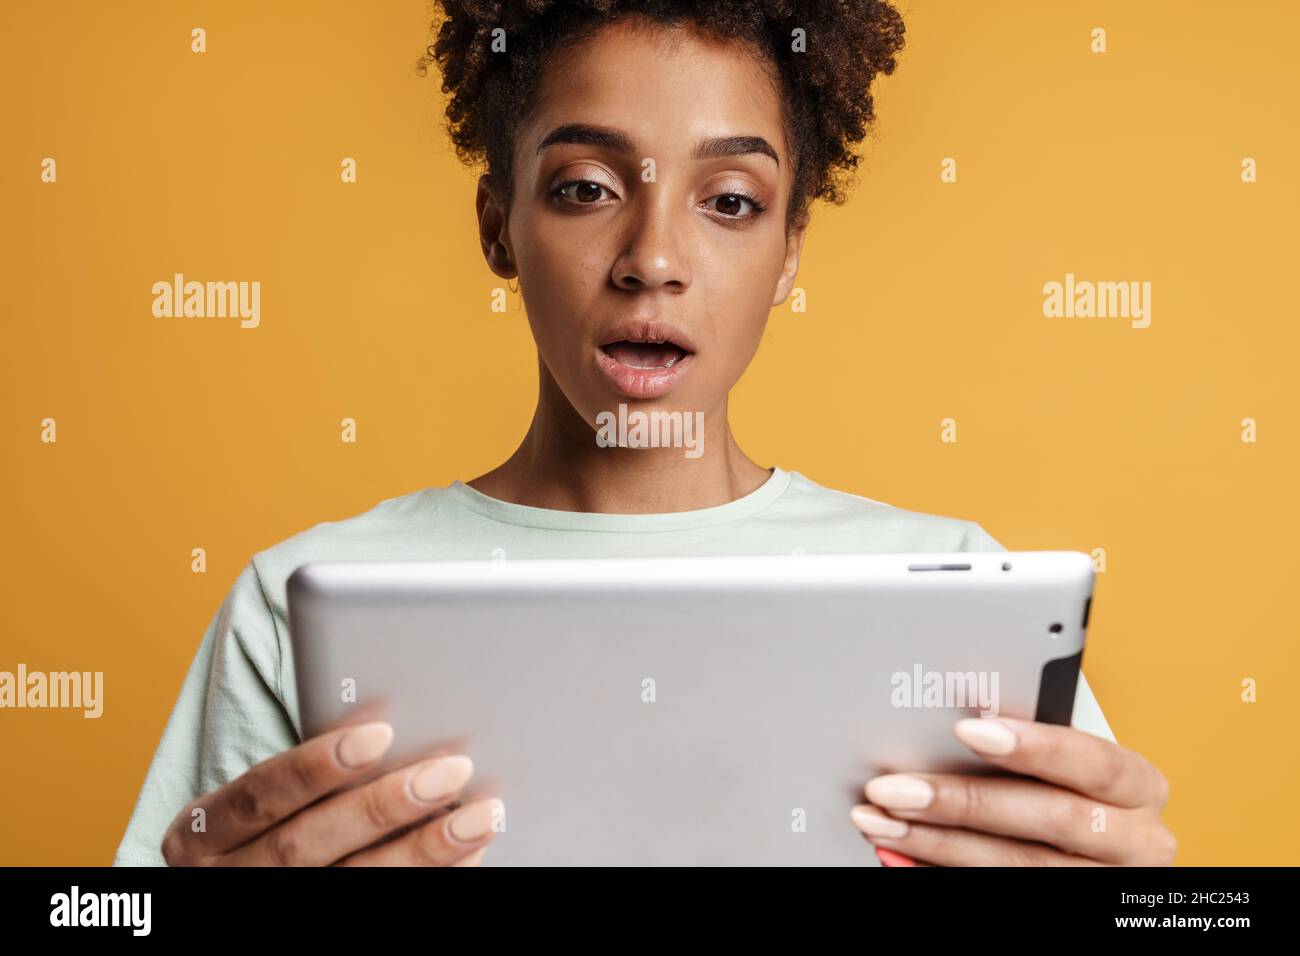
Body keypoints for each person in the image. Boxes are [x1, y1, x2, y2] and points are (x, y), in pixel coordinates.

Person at [113, 0, 1175, 867]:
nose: (652, 256)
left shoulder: (959, 590)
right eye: (585, 188)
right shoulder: (295, 599)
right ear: (499, 225)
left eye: (729, 199)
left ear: (790, 250)